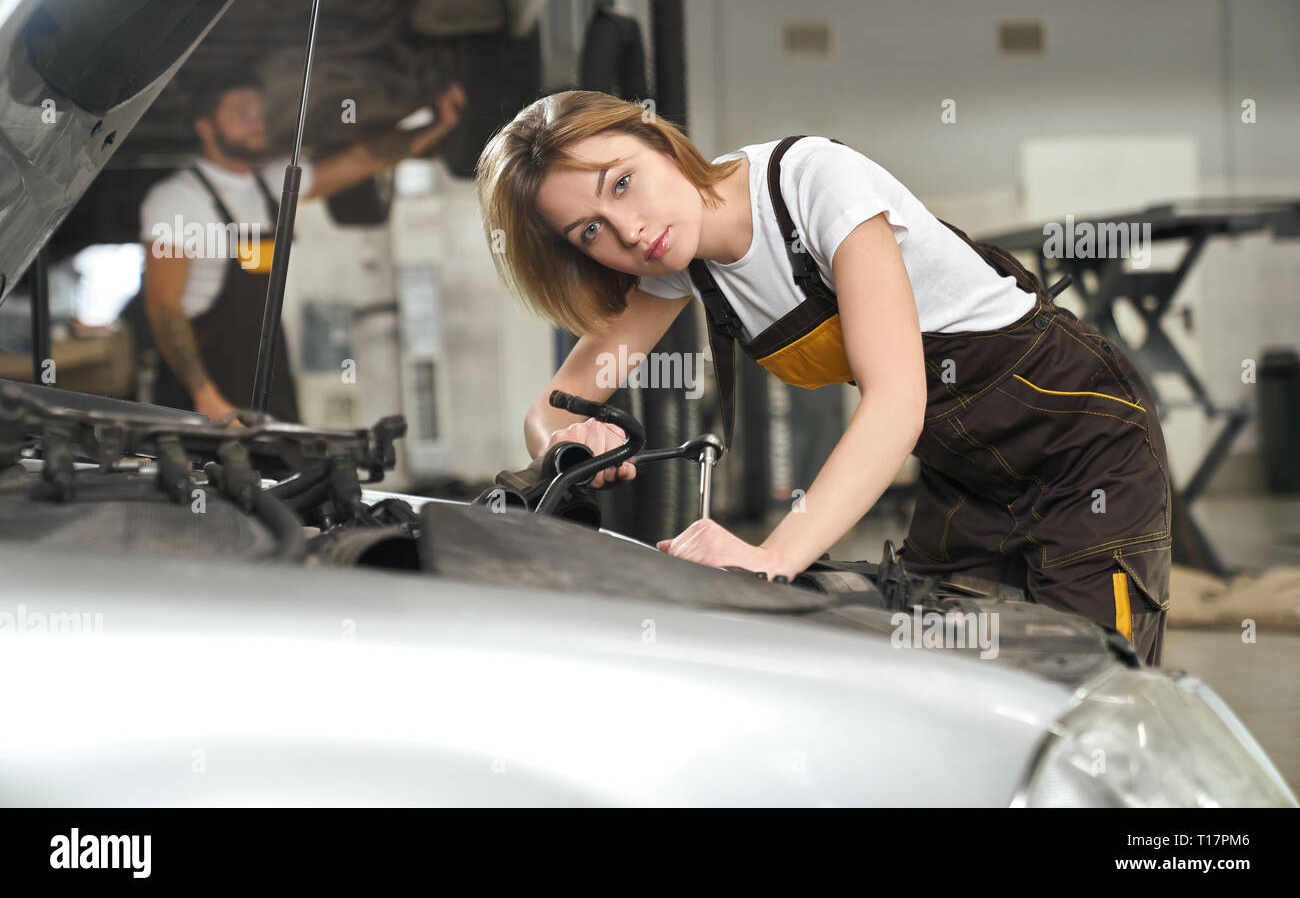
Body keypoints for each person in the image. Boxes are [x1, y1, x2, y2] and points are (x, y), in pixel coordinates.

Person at [475, 90, 1174, 666]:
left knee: (1094, 682)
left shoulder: (812, 184)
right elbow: (553, 407)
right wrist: (573, 442)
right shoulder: (673, 265)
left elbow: (897, 402)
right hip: (968, 475)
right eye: (589, 231)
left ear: (655, 135)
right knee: (958, 679)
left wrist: (768, 560)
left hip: (1082, 449)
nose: (627, 230)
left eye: (622, 182)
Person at [130, 72, 468, 423]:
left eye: (259, 113)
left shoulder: (270, 184)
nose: (256, 122)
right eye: (242, 114)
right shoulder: (176, 200)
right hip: (199, 398)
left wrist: (437, 124)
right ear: (205, 125)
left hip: (267, 380)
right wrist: (208, 400)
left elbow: (362, 160)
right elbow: (163, 308)